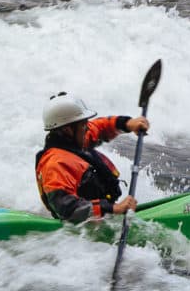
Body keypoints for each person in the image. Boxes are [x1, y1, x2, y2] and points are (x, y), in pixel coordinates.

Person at [35, 92, 150, 223]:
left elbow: (100, 127)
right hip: (80, 229)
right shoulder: (54, 163)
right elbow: (66, 208)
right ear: (68, 130)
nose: (87, 128)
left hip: (102, 216)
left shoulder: (74, 139)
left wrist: (127, 124)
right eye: (83, 124)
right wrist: (113, 209)